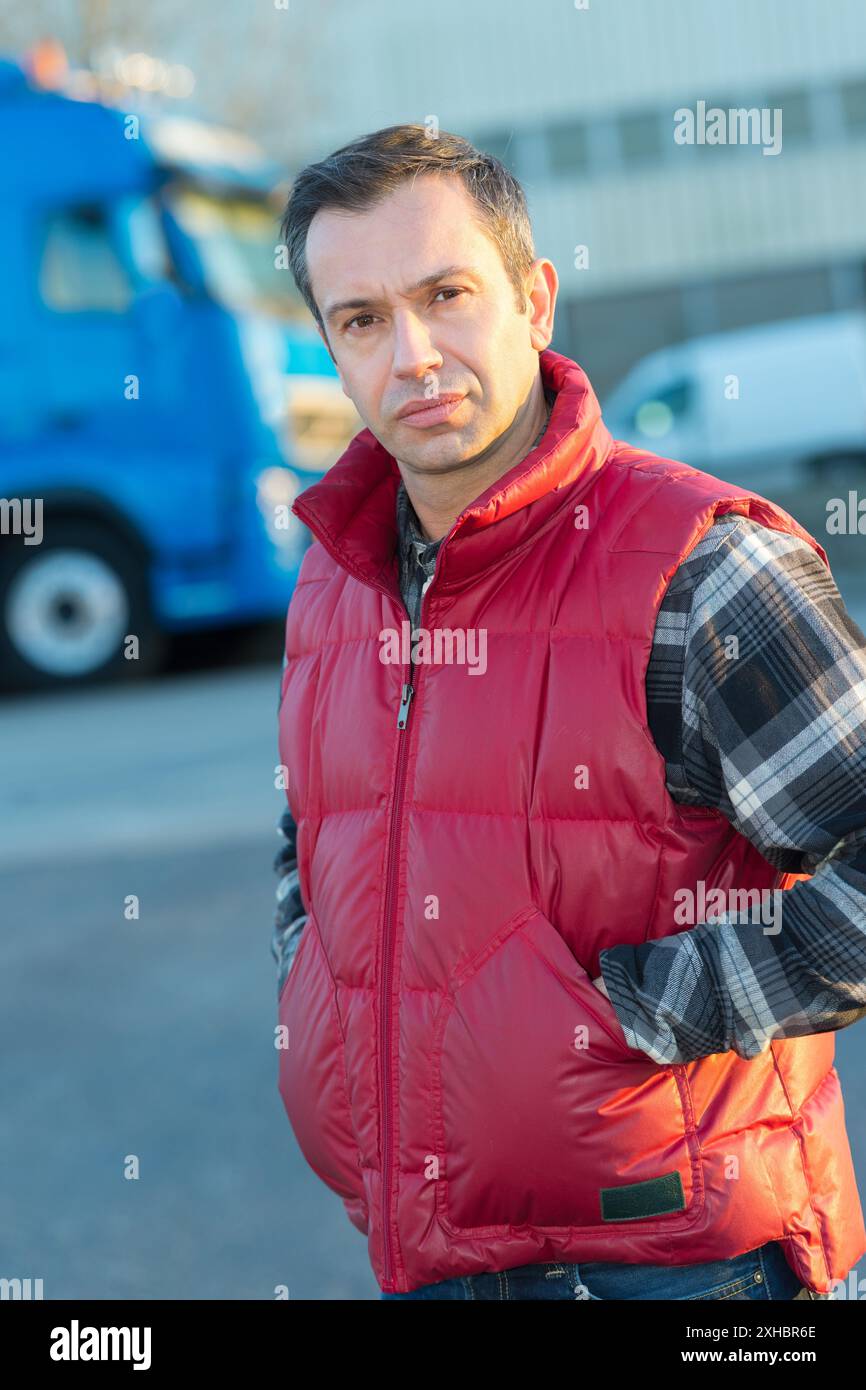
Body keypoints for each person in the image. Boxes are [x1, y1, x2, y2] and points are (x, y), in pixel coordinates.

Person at [271, 123, 866, 1300]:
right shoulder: (332, 578)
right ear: (331, 348)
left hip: (688, 1268)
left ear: (534, 300)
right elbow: (312, 836)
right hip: (431, 1253)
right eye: (362, 319)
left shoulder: (702, 569)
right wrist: (308, 983)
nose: (414, 355)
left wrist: (645, 1009)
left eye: (446, 294)